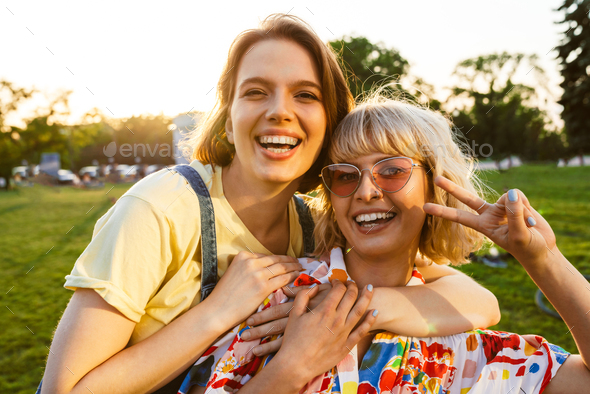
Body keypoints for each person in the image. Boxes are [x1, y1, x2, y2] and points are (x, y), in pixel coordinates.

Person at [38, 15, 500, 394]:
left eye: (305, 94)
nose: (280, 110)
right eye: (256, 92)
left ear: (330, 122)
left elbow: (476, 299)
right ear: (229, 113)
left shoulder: (314, 223)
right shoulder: (160, 209)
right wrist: (218, 311)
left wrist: (346, 308)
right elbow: (64, 390)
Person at [227, 95, 590, 393]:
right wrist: (289, 370)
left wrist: (544, 260)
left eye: (392, 170)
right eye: (344, 175)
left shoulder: (463, 349)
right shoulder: (277, 300)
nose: (366, 192)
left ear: (436, 183)